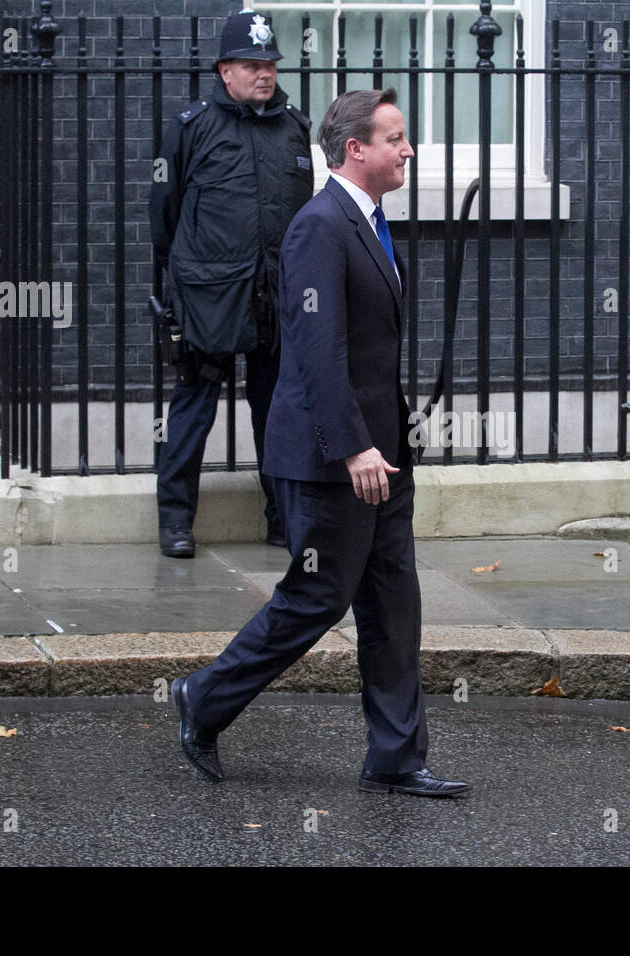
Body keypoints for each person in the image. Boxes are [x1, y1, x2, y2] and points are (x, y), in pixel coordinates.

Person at [171, 88, 469, 799]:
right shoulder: (320, 226)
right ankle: (203, 698)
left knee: (394, 604)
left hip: (383, 455)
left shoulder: (365, 221)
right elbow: (315, 349)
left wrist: (384, 444)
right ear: (355, 149)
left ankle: (396, 758)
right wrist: (353, 447)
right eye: (395, 138)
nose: (408, 149)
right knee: (315, 598)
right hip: (335, 459)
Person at [149, 8, 314, 558]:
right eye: (250, 64)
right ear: (224, 70)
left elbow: (304, 215)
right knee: (194, 410)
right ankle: (175, 522)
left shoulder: (294, 125)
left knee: (278, 412)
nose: (264, 73)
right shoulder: (192, 127)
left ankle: (281, 518)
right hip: (209, 295)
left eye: (268, 63)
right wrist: (186, 281)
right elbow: (163, 215)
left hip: (276, 295)